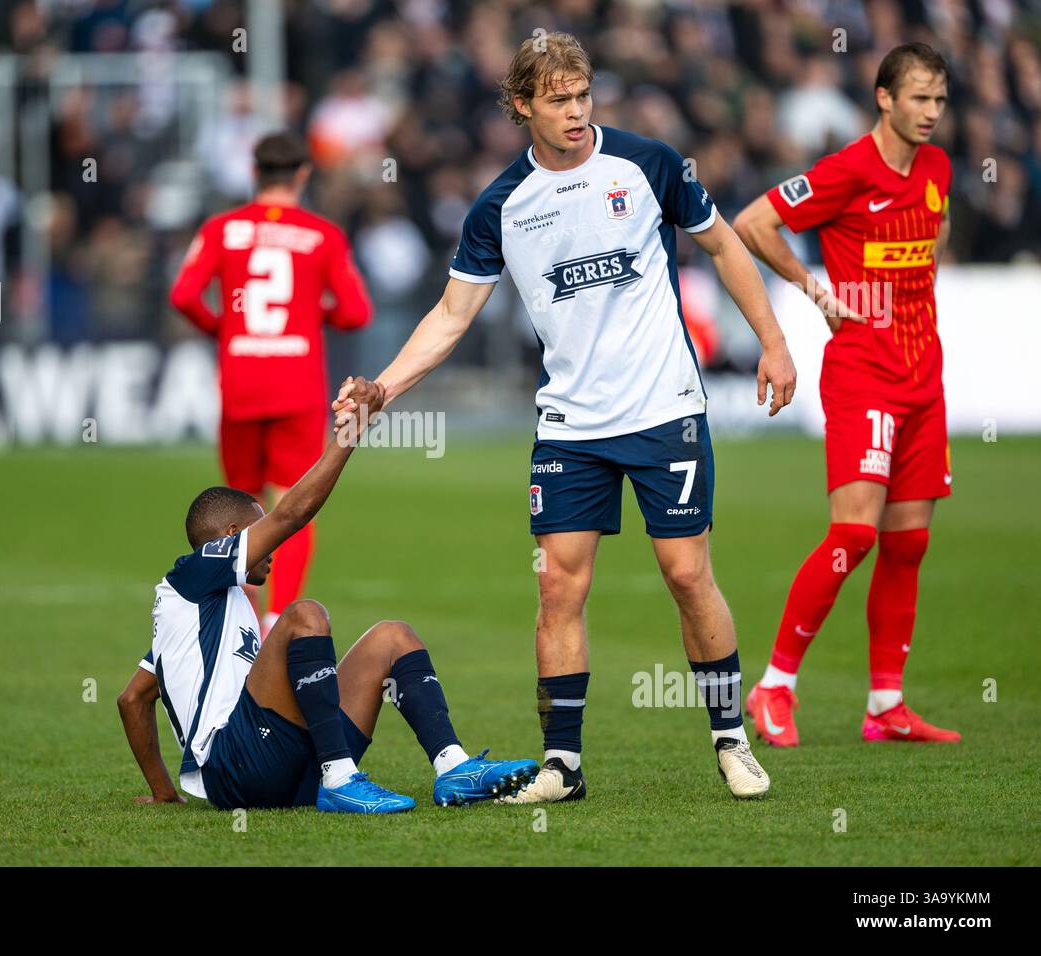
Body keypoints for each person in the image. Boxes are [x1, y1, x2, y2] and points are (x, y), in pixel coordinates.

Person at [335, 33, 795, 801]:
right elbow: (450, 318)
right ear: (522, 106)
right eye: (558, 100)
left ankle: (731, 740)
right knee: (557, 590)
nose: (578, 113)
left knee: (686, 574)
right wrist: (382, 389)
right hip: (571, 426)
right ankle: (563, 766)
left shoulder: (649, 163)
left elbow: (722, 246)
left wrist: (774, 344)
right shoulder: (501, 207)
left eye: (584, 96)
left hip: (663, 407)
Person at [117, 377, 538, 813]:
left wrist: (164, 791)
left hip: (287, 773)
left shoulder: (200, 615)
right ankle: (339, 777)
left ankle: (454, 767)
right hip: (235, 766)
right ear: (229, 538)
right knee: (302, 615)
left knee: (393, 637)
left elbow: (132, 699)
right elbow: (292, 513)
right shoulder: (192, 573)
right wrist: (349, 434)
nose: (271, 547)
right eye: (258, 531)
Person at [733, 43, 960, 746]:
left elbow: (936, 229)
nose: (930, 113)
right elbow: (752, 222)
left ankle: (885, 705)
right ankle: (773, 688)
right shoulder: (848, 170)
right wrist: (813, 289)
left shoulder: (938, 169)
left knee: (909, 543)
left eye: (940, 101)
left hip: (924, 375)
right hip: (863, 372)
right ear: (885, 98)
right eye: (919, 98)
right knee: (855, 532)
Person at [170, 132, 372, 636]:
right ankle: (278, 621)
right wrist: (310, 313)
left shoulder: (223, 229)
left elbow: (183, 295)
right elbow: (356, 311)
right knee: (292, 503)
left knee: (238, 506)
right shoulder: (321, 234)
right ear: (303, 174)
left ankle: (237, 620)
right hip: (297, 383)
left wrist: (222, 328)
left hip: (241, 379)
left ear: (254, 173)